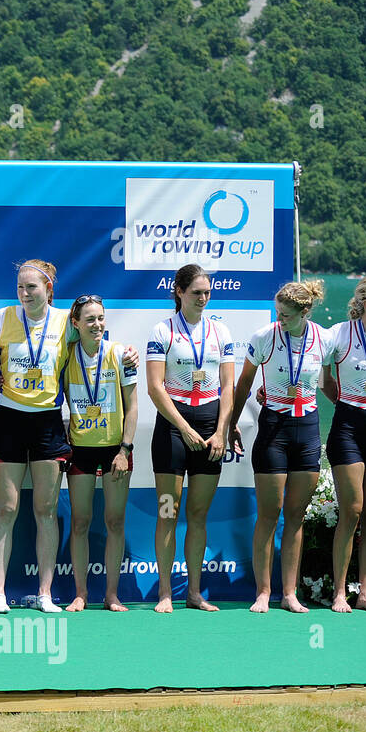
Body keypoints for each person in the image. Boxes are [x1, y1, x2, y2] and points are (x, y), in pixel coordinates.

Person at [228, 279, 330, 614]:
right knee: (269, 516)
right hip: (274, 431)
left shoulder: (324, 339)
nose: (280, 319)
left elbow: (330, 381)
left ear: (305, 311)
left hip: (308, 430)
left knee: (295, 517)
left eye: (285, 315)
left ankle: (289, 594)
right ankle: (263, 591)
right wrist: (230, 424)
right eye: (277, 313)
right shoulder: (264, 337)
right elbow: (244, 383)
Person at [0, 260, 72, 614]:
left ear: (48, 289)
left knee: (45, 510)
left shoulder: (67, 322)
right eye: (20, 287)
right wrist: (3, 373)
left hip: (48, 422)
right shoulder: (3, 318)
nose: (24, 294)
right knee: (5, 509)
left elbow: (92, 353)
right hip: (9, 419)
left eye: (32, 287)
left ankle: (45, 593)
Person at [145, 263, 235, 613]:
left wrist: (221, 431)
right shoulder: (162, 330)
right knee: (168, 512)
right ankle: (165, 593)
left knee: (198, 515)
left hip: (210, 428)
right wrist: (183, 427)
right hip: (173, 429)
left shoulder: (221, 332)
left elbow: (227, 387)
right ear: (179, 292)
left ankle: (194, 593)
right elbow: (155, 387)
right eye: (196, 292)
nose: (203, 298)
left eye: (207, 292)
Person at [60, 294, 138, 611]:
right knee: (80, 522)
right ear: (76, 324)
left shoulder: (120, 354)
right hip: (80, 450)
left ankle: (111, 594)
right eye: (90, 319)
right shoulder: (64, 357)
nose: (97, 324)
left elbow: (133, 407)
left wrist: (124, 449)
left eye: (101, 318)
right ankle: (81, 593)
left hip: (115, 451)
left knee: (115, 521)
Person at [323, 276, 366, 612]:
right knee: (352, 510)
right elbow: (315, 370)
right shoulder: (340, 333)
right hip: (348, 425)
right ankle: (340, 591)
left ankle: (365, 592)